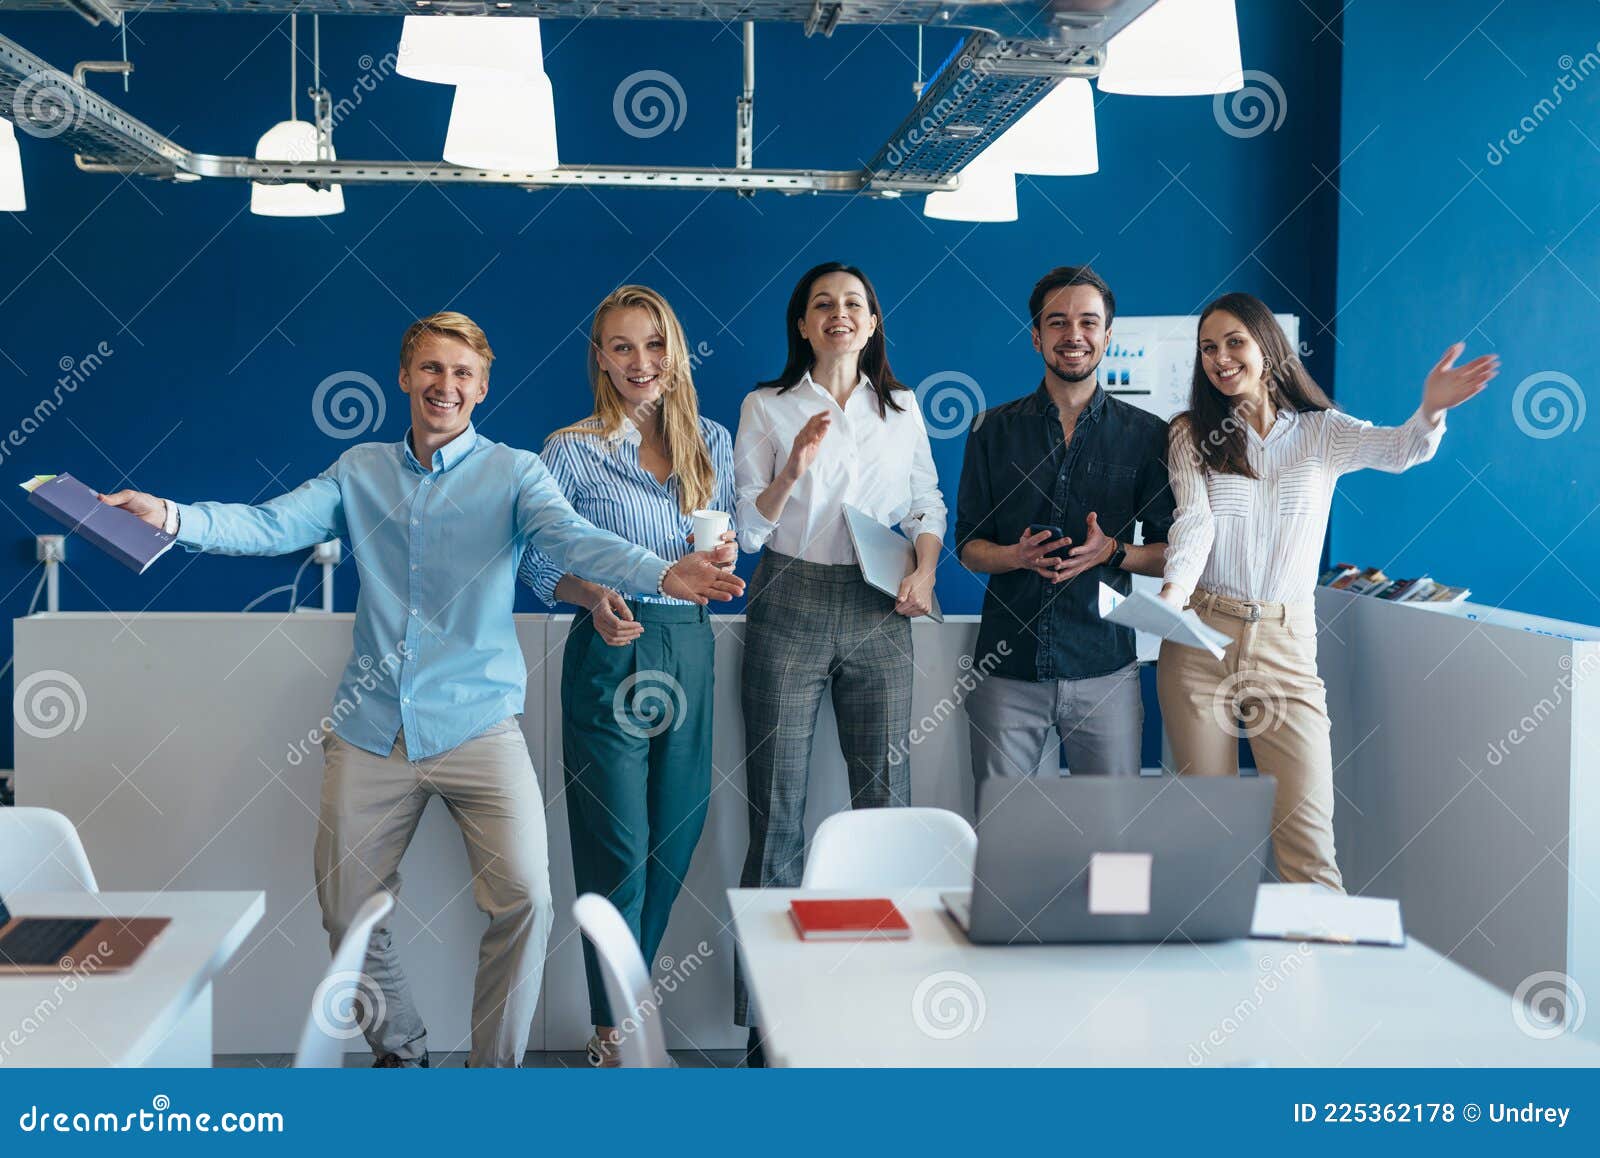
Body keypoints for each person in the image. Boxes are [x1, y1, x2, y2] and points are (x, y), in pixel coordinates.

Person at [100, 311, 743, 1068]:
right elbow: (271, 524)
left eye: (463, 374)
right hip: (373, 728)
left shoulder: (516, 473)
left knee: (527, 901)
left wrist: (664, 573)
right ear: (406, 377)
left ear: (482, 387)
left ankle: (490, 1076)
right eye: (432, 370)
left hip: (479, 727)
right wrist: (171, 515)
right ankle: (400, 1052)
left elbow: (572, 540)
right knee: (346, 912)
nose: (446, 386)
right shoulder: (358, 471)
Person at [1156, 292, 1497, 891]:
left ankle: (1315, 973)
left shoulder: (1321, 433)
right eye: (1209, 348)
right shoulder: (1191, 433)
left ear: (1268, 348)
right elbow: (1195, 523)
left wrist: (1430, 411)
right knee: (1207, 844)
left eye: (1234, 342)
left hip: (1286, 643)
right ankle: (1213, 975)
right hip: (1200, 637)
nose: (1220, 358)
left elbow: (1401, 450)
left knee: (1309, 845)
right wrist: (1172, 593)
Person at [518, 286, 737, 1067]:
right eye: (621, 347)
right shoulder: (570, 449)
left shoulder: (711, 440)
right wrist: (594, 593)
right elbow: (541, 566)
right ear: (600, 358)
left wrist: (723, 557)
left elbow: (727, 541)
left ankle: (625, 1013)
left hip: (690, 645)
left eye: (652, 345)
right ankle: (619, 1030)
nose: (639, 363)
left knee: (675, 838)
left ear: (673, 352)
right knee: (617, 844)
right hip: (613, 643)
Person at [731, 261, 946, 1056]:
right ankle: (767, 1029)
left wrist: (925, 567)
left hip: (880, 605)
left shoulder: (904, 407)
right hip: (787, 600)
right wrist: (794, 466)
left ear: (874, 318)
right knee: (778, 816)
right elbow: (747, 530)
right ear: (802, 324)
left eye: (854, 302)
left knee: (885, 809)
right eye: (823, 304)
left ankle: (882, 1015)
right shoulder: (767, 405)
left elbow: (928, 500)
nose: (839, 314)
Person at [956, 265, 1174, 794]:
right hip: (1007, 668)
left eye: (1088, 322)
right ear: (1036, 337)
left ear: (1106, 336)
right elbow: (967, 546)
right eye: (1057, 323)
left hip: (1106, 667)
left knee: (1113, 837)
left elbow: (1173, 553)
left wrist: (1114, 553)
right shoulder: (991, 430)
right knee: (1006, 835)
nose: (1073, 335)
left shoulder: (1149, 436)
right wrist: (1016, 556)